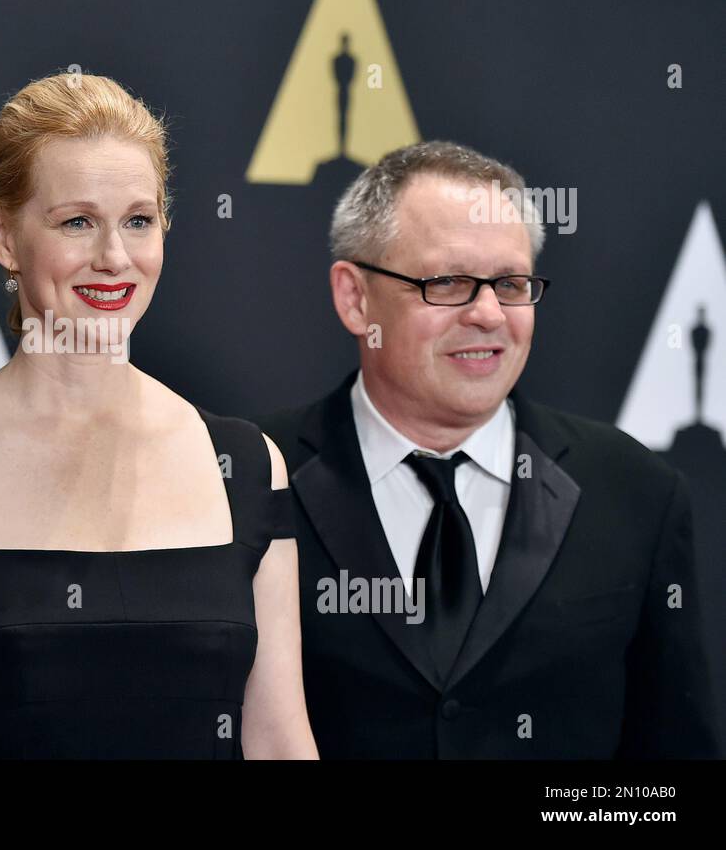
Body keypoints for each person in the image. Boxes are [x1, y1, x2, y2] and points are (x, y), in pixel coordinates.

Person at [0, 73, 318, 759]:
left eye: (138, 221)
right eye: (77, 222)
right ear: (2, 234)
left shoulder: (246, 464)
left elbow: (278, 741)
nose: (115, 258)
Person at [259, 140, 721, 758]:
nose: (488, 314)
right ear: (355, 297)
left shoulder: (637, 492)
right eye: (447, 282)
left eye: (510, 283)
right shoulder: (255, 479)